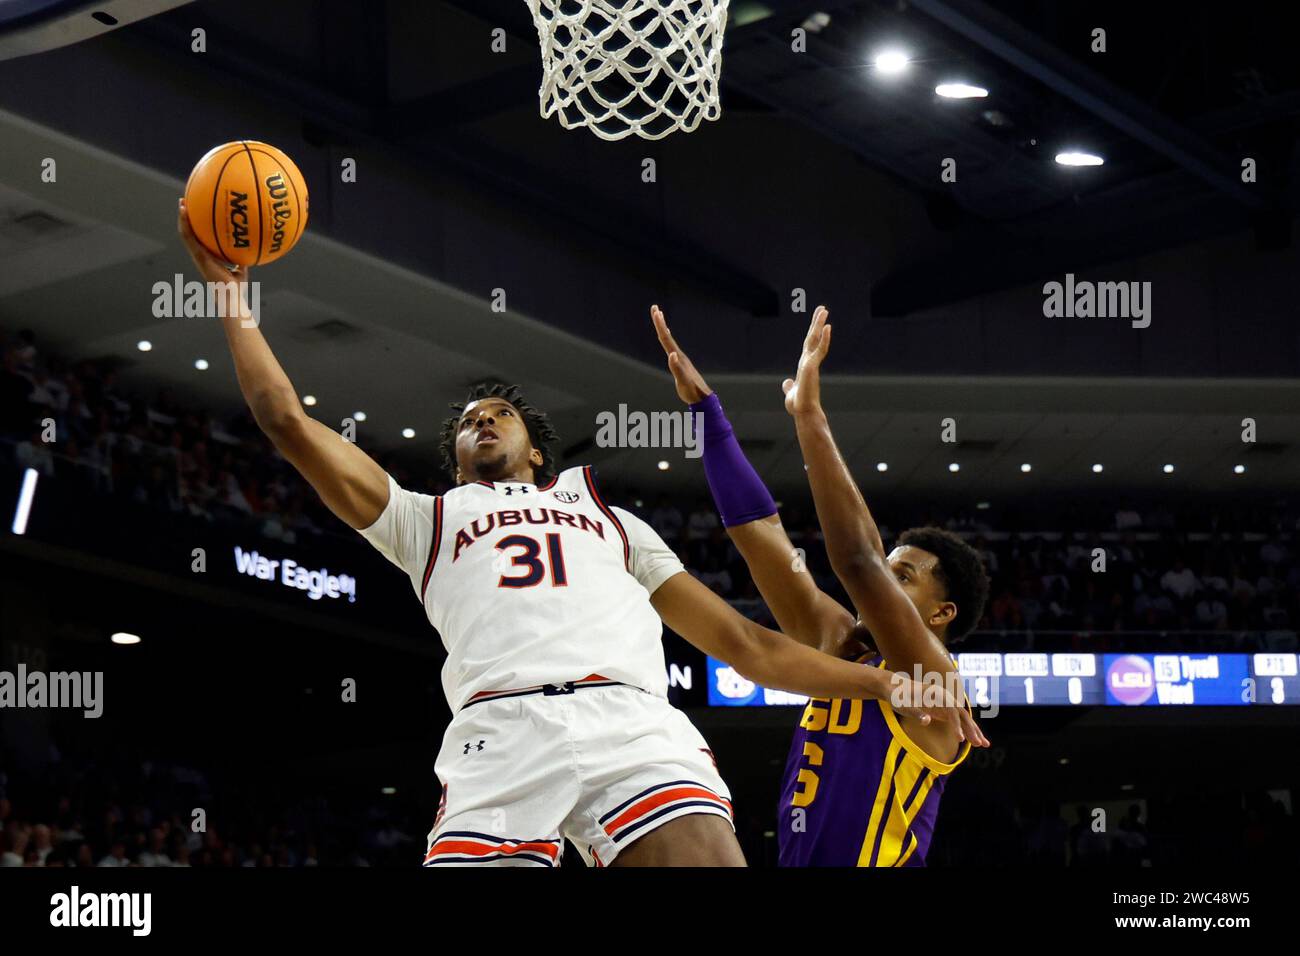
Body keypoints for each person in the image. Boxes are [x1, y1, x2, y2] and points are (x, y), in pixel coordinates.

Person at [178, 202, 980, 868]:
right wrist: (231, 302)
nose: (482, 418)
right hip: (500, 734)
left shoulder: (613, 521)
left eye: (499, 414)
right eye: (467, 421)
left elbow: (746, 642)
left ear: (536, 446)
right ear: (457, 460)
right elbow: (284, 418)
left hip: (630, 724)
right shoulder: (422, 521)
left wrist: (882, 684)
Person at [653, 304, 991, 866]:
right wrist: (709, 416)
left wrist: (809, 417)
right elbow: (759, 536)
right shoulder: (845, 649)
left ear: (941, 614)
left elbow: (859, 561)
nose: (884, 582)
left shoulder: (935, 686)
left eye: (902, 576)